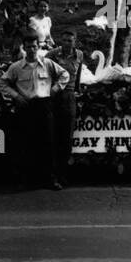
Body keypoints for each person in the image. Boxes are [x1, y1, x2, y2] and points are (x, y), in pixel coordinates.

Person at [0, 34, 70, 190]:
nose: (31, 49)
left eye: (34, 46)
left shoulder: (47, 63)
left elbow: (65, 75)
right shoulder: (16, 67)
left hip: (44, 106)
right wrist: (16, 96)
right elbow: (2, 82)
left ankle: (51, 179)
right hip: (25, 107)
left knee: (48, 143)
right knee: (25, 144)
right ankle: (25, 180)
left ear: (38, 47)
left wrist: (56, 88)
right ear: (24, 48)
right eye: (28, 46)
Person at [49, 28, 85, 171]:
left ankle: (63, 171)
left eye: (69, 41)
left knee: (67, 135)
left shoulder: (79, 55)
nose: (66, 43)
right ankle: (52, 172)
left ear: (74, 42)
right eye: (64, 40)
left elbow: (78, 74)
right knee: (54, 134)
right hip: (55, 95)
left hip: (69, 96)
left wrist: (78, 90)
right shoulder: (52, 54)